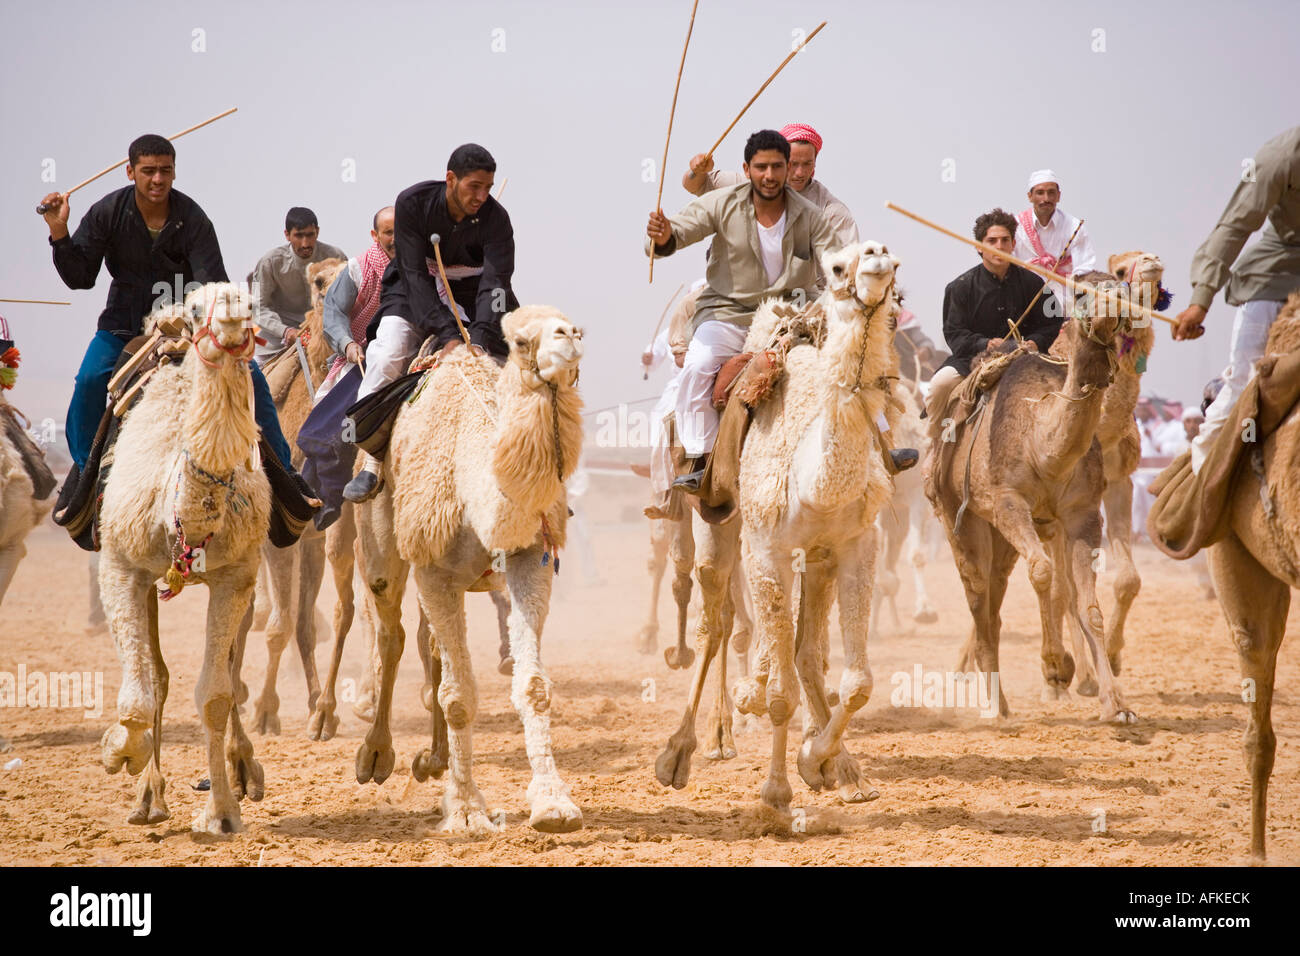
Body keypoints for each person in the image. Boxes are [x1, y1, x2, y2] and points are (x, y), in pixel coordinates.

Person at [39, 133, 298, 501]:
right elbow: (80, 278)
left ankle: (285, 478)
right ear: (130, 172)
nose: (157, 179)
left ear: (175, 172)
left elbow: (211, 283)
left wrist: (191, 320)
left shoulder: (192, 218)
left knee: (251, 375)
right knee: (90, 381)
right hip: (122, 325)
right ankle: (86, 477)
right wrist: (59, 231)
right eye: (148, 171)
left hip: (188, 327)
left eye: (165, 171)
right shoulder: (107, 212)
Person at [646, 129, 839, 490]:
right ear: (747, 169)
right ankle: (701, 458)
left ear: (787, 169)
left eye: (777, 167)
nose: (770, 176)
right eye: (762, 167)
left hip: (791, 317)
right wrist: (664, 235)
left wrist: (861, 279)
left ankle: (878, 444)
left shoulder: (812, 215)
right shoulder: (722, 203)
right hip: (727, 313)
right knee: (697, 367)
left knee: (846, 361)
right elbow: (681, 228)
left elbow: (837, 261)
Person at [343, 143, 519, 503]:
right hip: (414, 290)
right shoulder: (412, 203)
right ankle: (371, 462)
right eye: (474, 186)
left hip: (476, 297)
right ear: (450, 179)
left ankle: (533, 470)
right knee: (388, 352)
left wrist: (481, 338)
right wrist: (449, 334)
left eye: (487, 188)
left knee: (525, 362)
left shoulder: (497, 220)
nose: (482, 196)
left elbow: (496, 283)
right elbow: (412, 273)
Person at [1172, 127, 1300, 474]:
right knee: (1244, 382)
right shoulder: (1279, 157)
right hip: (1277, 271)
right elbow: (1235, 224)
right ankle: (1201, 498)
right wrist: (1201, 300)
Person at [297, 206, 396, 527]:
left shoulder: (419, 265)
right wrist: (349, 345)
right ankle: (319, 492)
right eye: (388, 232)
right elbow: (334, 316)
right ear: (375, 235)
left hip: (409, 345)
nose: (394, 239)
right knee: (332, 420)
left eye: (399, 231)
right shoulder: (358, 269)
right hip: (362, 354)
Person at [927, 208, 1063, 422]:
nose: (999, 247)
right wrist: (986, 343)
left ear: (1013, 245)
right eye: (992, 241)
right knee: (939, 385)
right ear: (979, 247)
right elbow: (955, 333)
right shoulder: (960, 287)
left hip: (1026, 360)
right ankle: (936, 442)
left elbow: (1053, 323)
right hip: (971, 362)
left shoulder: (1035, 284)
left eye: (1004, 240)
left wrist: (1034, 343)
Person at [682, 122, 858, 247]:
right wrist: (697, 170)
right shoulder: (747, 185)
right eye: (793, 163)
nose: (800, 172)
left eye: (807, 164)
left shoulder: (831, 211)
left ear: (815, 162)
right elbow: (695, 185)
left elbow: (848, 265)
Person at [248, 207, 346, 361]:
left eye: (310, 235)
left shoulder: (336, 256)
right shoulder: (268, 262)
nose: (305, 243)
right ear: (287, 235)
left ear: (317, 232)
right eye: (298, 236)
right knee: (259, 382)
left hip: (328, 337)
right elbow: (256, 307)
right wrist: (285, 331)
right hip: (278, 342)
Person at [1013, 170, 1096, 309]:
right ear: (1030, 196)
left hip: (1065, 301)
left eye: (1051, 192)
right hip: (1025, 298)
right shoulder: (1015, 226)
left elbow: (1084, 268)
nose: (1046, 198)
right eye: (1040, 193)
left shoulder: (1075, 227)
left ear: (1058, 196)